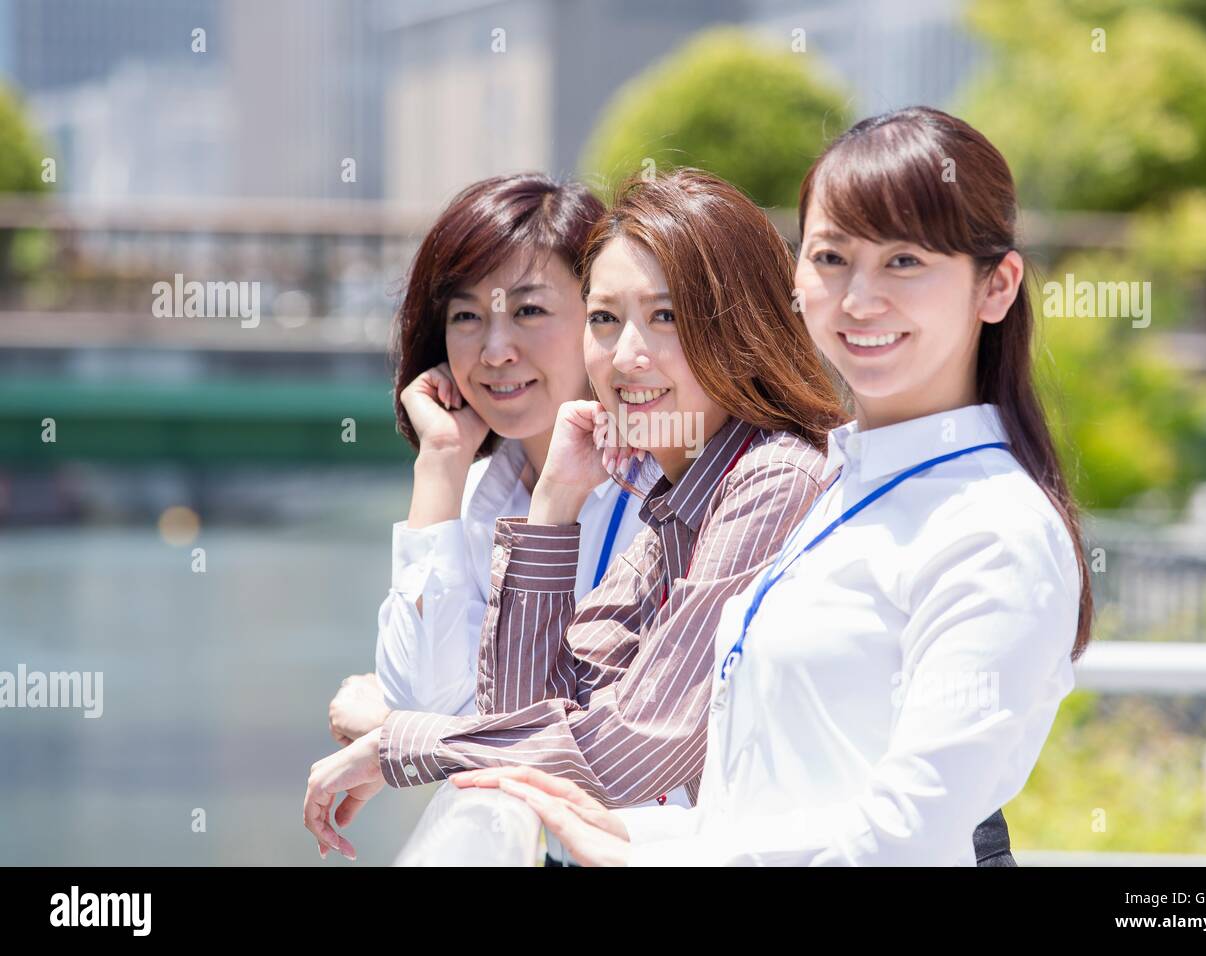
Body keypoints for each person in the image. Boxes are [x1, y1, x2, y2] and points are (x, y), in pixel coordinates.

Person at [455, 107, 1093, 866]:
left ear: (997, 287)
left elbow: (910, 837)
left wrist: (406, 743)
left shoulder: (992, 530)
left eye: (906, 262)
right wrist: (639, 836)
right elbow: (767, 796)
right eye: (830, 258)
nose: (858, 299)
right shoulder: (841, 493)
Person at [303, 169, 846, 861]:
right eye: (606, 319)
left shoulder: (770, 480)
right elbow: (522, 713)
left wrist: (401, 742)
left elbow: (628, 750)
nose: (626, 355)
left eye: (666, 315)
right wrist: (552, 505)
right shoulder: (676, 504)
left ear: (741, 323)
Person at [325, 174, 647, 746]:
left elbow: (600, 725)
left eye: (528, 311)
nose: (495, 351)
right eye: (466, 317)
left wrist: (390, 729)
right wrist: (442, 460)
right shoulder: (474, 496)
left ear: (601, 317)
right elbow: (423, 696)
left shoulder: (660, 488)